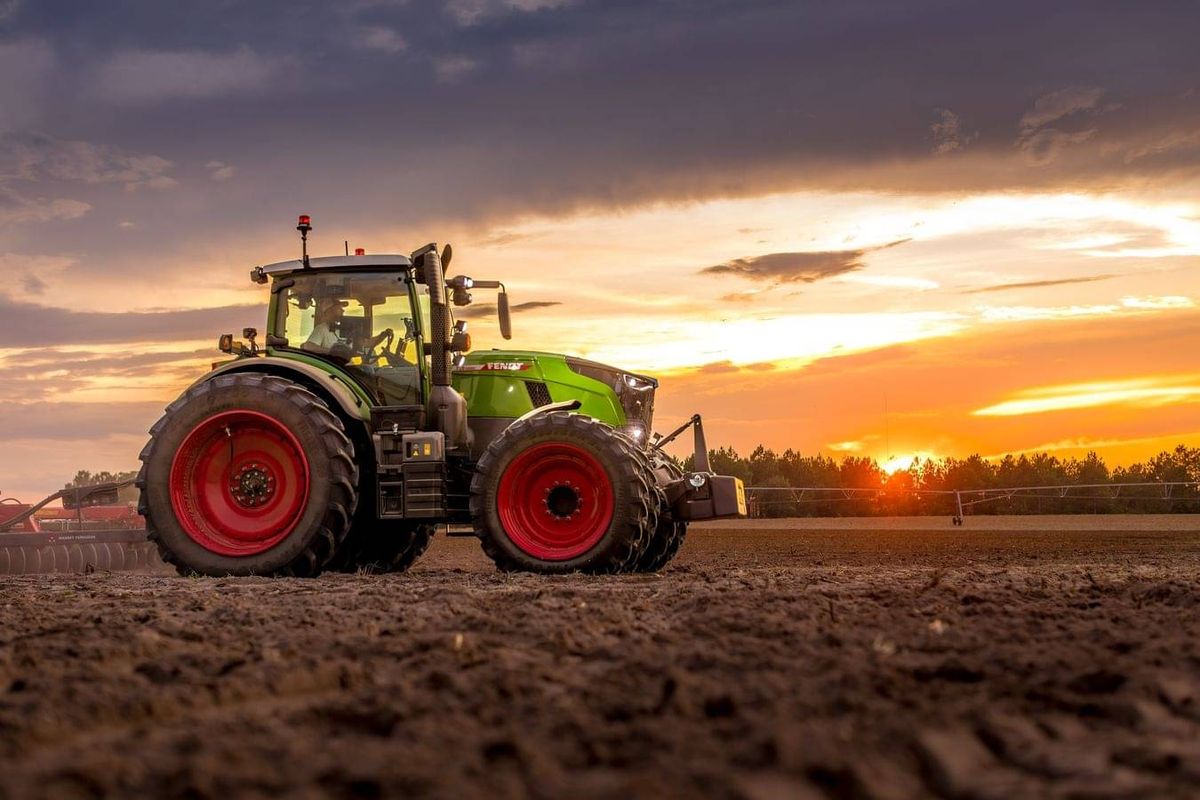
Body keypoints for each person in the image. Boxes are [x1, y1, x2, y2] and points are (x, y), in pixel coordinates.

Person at [303, 295, 394, 356]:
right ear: (329, 311)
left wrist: (383, 335)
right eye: (339, 309)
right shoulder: (322, 329)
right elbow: (308, 346)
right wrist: (332, 352)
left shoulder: (345, 329)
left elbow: (366, 343)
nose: (343, 311)